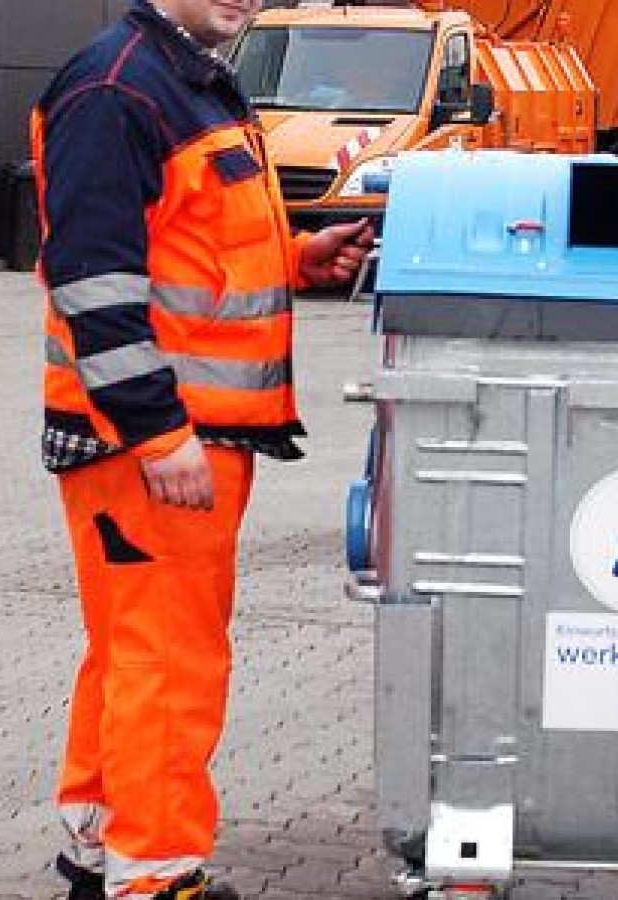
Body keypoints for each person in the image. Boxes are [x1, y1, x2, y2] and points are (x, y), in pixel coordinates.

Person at [30, 1, 374, 898]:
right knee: (167, 661)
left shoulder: (189, 83)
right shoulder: (119, 90)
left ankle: (101, 855)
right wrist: (156, 432)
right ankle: (157, 877)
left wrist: (299, 257)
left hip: (181, 442)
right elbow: (93, 281)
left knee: (132, 650)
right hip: (150, 448)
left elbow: (188, 243)